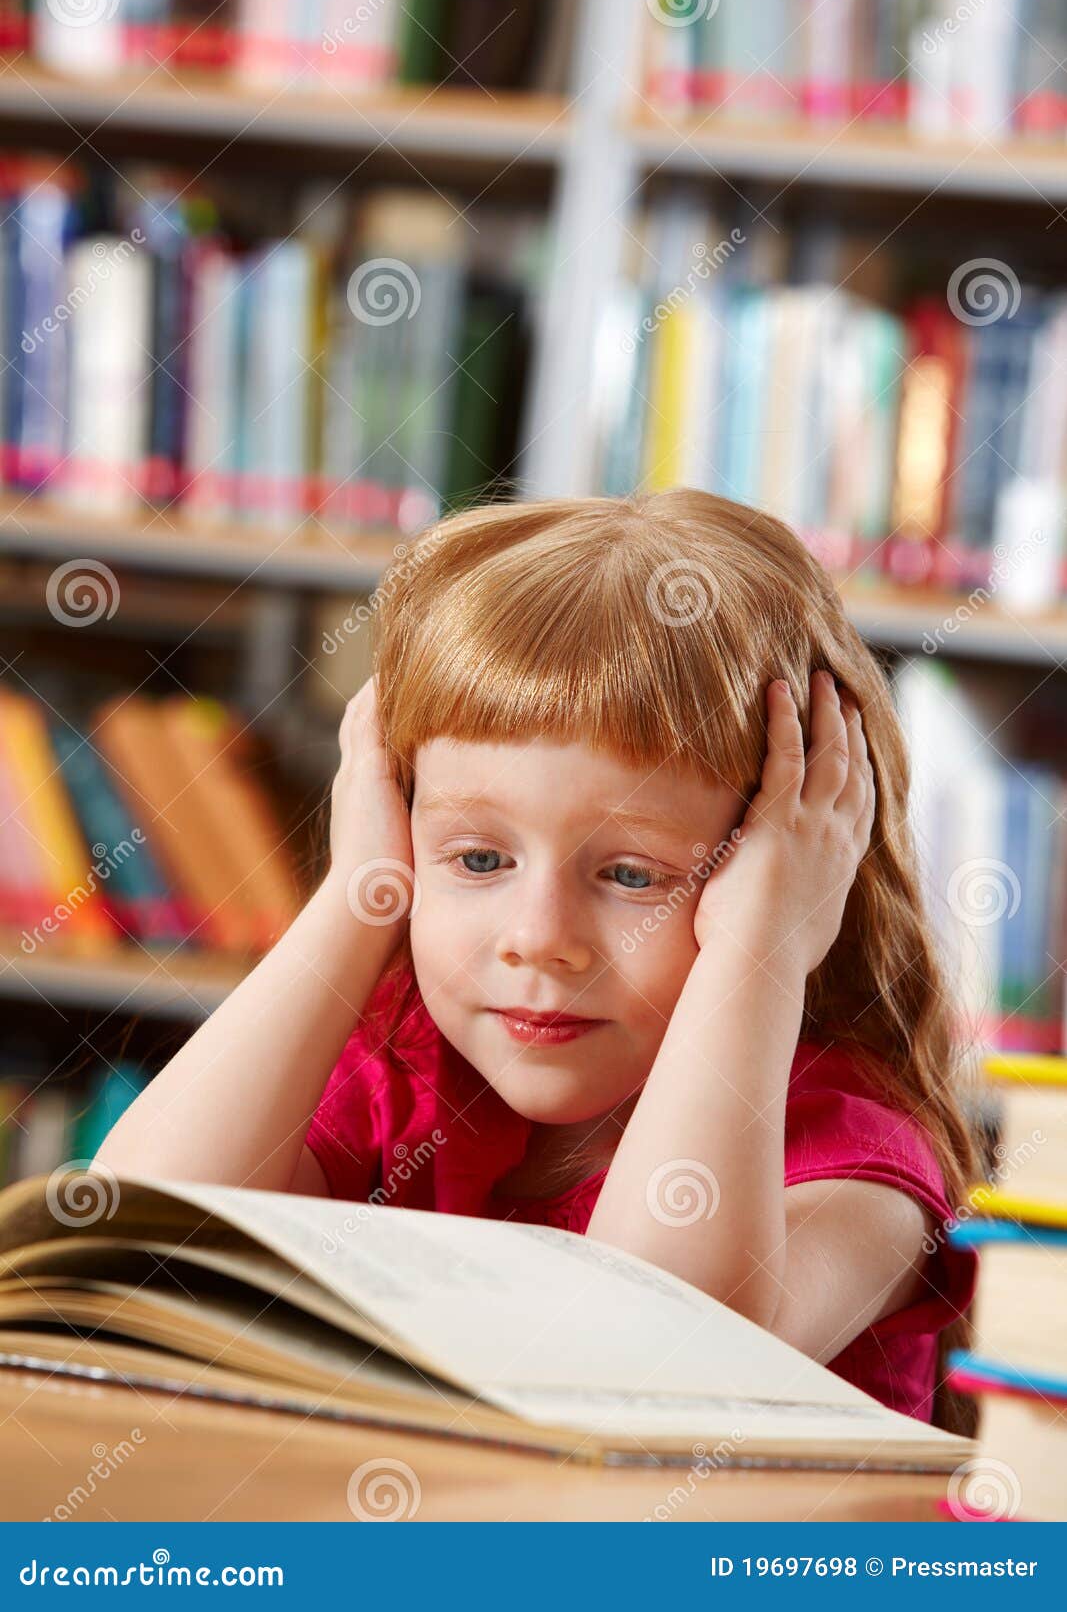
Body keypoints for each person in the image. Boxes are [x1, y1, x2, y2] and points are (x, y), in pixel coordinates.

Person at [94, 489, 982, 1433]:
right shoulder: (404, 1081)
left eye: (633, 875)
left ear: (796, 876)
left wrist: (758, 951)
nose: (538, 936)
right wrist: (358, 894)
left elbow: (651, 1357)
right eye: (478, 860)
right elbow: (142, 1237)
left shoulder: (856, 1163)